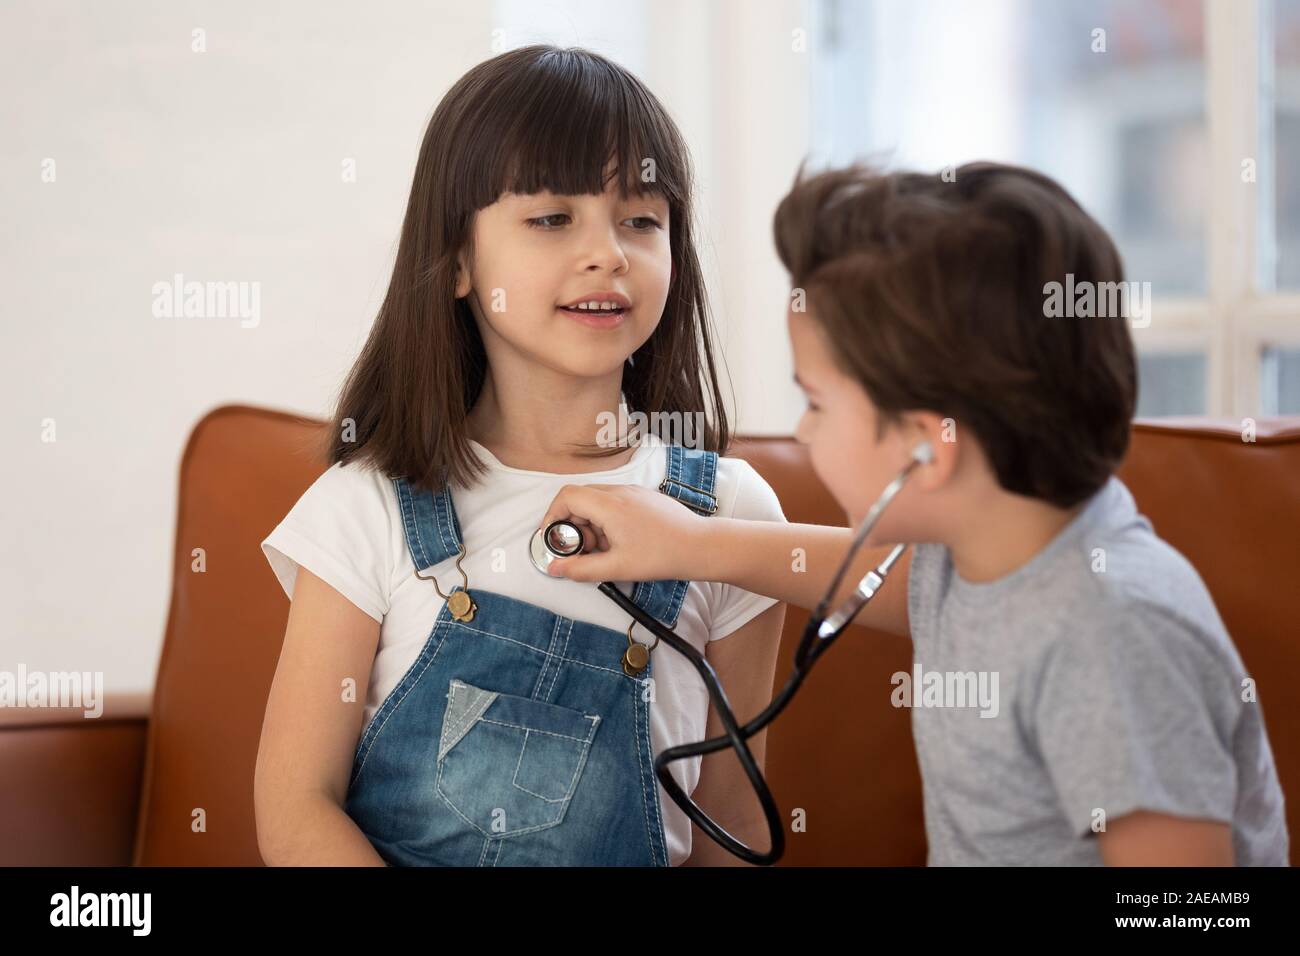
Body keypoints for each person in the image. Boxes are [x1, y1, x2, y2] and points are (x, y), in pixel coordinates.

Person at [539, 160, 1290, 866]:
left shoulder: (1114, 636)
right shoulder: (995, 553)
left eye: (817, 403)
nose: (802, 432)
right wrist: (690, 543)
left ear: (929, 451)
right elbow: (886, 580)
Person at [254, 45, 788, 867]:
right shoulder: (364, 506)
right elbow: (296, 808)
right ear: (460, 260)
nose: (607, 252)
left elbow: (733, 830)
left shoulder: (731, 517)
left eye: (641, 220)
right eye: (552, 219)